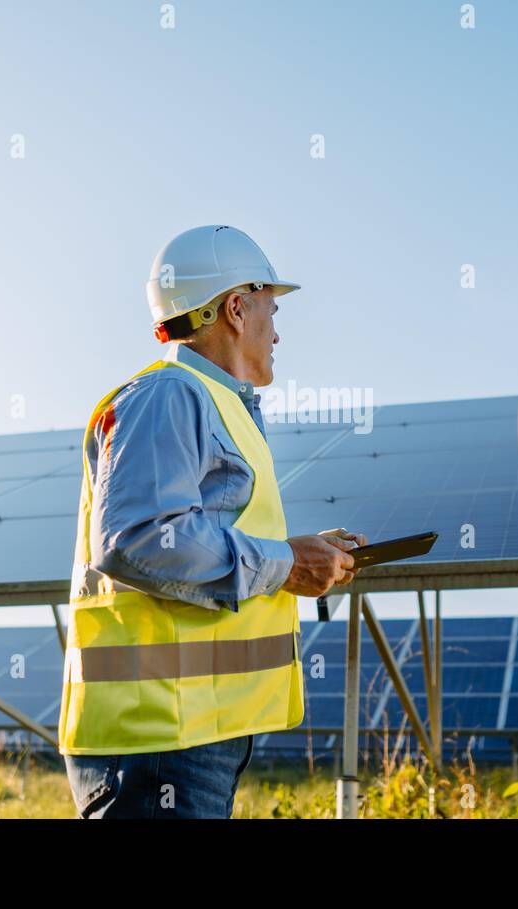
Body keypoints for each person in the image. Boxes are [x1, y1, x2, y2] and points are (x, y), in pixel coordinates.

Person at [58, 225, 365, 818]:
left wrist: (299, 554)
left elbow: (197, 534)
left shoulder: (208, 402)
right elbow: (139, 538)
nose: (277, 332)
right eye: (270, 311)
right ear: (234, 308)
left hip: (189, 733)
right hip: (160, 739)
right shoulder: (171, 394)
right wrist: (285, 563)